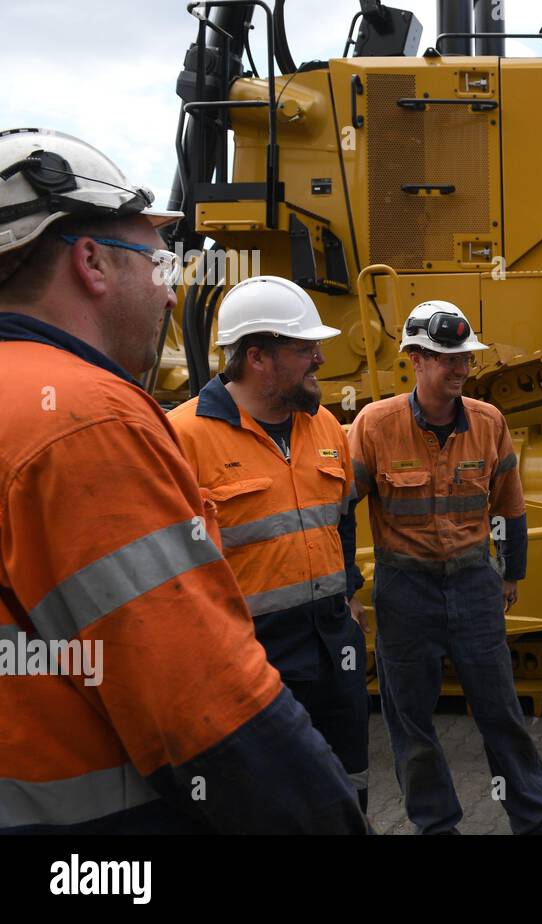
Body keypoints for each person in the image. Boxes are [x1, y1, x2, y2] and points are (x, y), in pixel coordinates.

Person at [0, 127, 365, 833]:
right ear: (91, 263)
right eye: (162, 268)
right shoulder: (87, 420)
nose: (172, 298)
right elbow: (202, 704)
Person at [348, 300, 542, 835]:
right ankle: (436, 825)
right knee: (411, 722)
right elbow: (342, 511)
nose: (457, 368)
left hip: (474, 583)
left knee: (501, 711)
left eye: (463, 358)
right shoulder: (375, 426)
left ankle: (539, 820)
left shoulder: (489, 423)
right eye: (444, 357)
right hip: (404, 590)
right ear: (414, 358)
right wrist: (348, 589)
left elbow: (511, 507)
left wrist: (511, 574)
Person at [169, 275, 370, 811]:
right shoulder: (181, 438)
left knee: (349, 788)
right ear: (257, 357)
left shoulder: (325, 424)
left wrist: (348, 596)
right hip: (252, 658)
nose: (321, 360)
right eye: (306, 349)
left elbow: (343, 518)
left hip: (334, 647)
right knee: (269, 805)